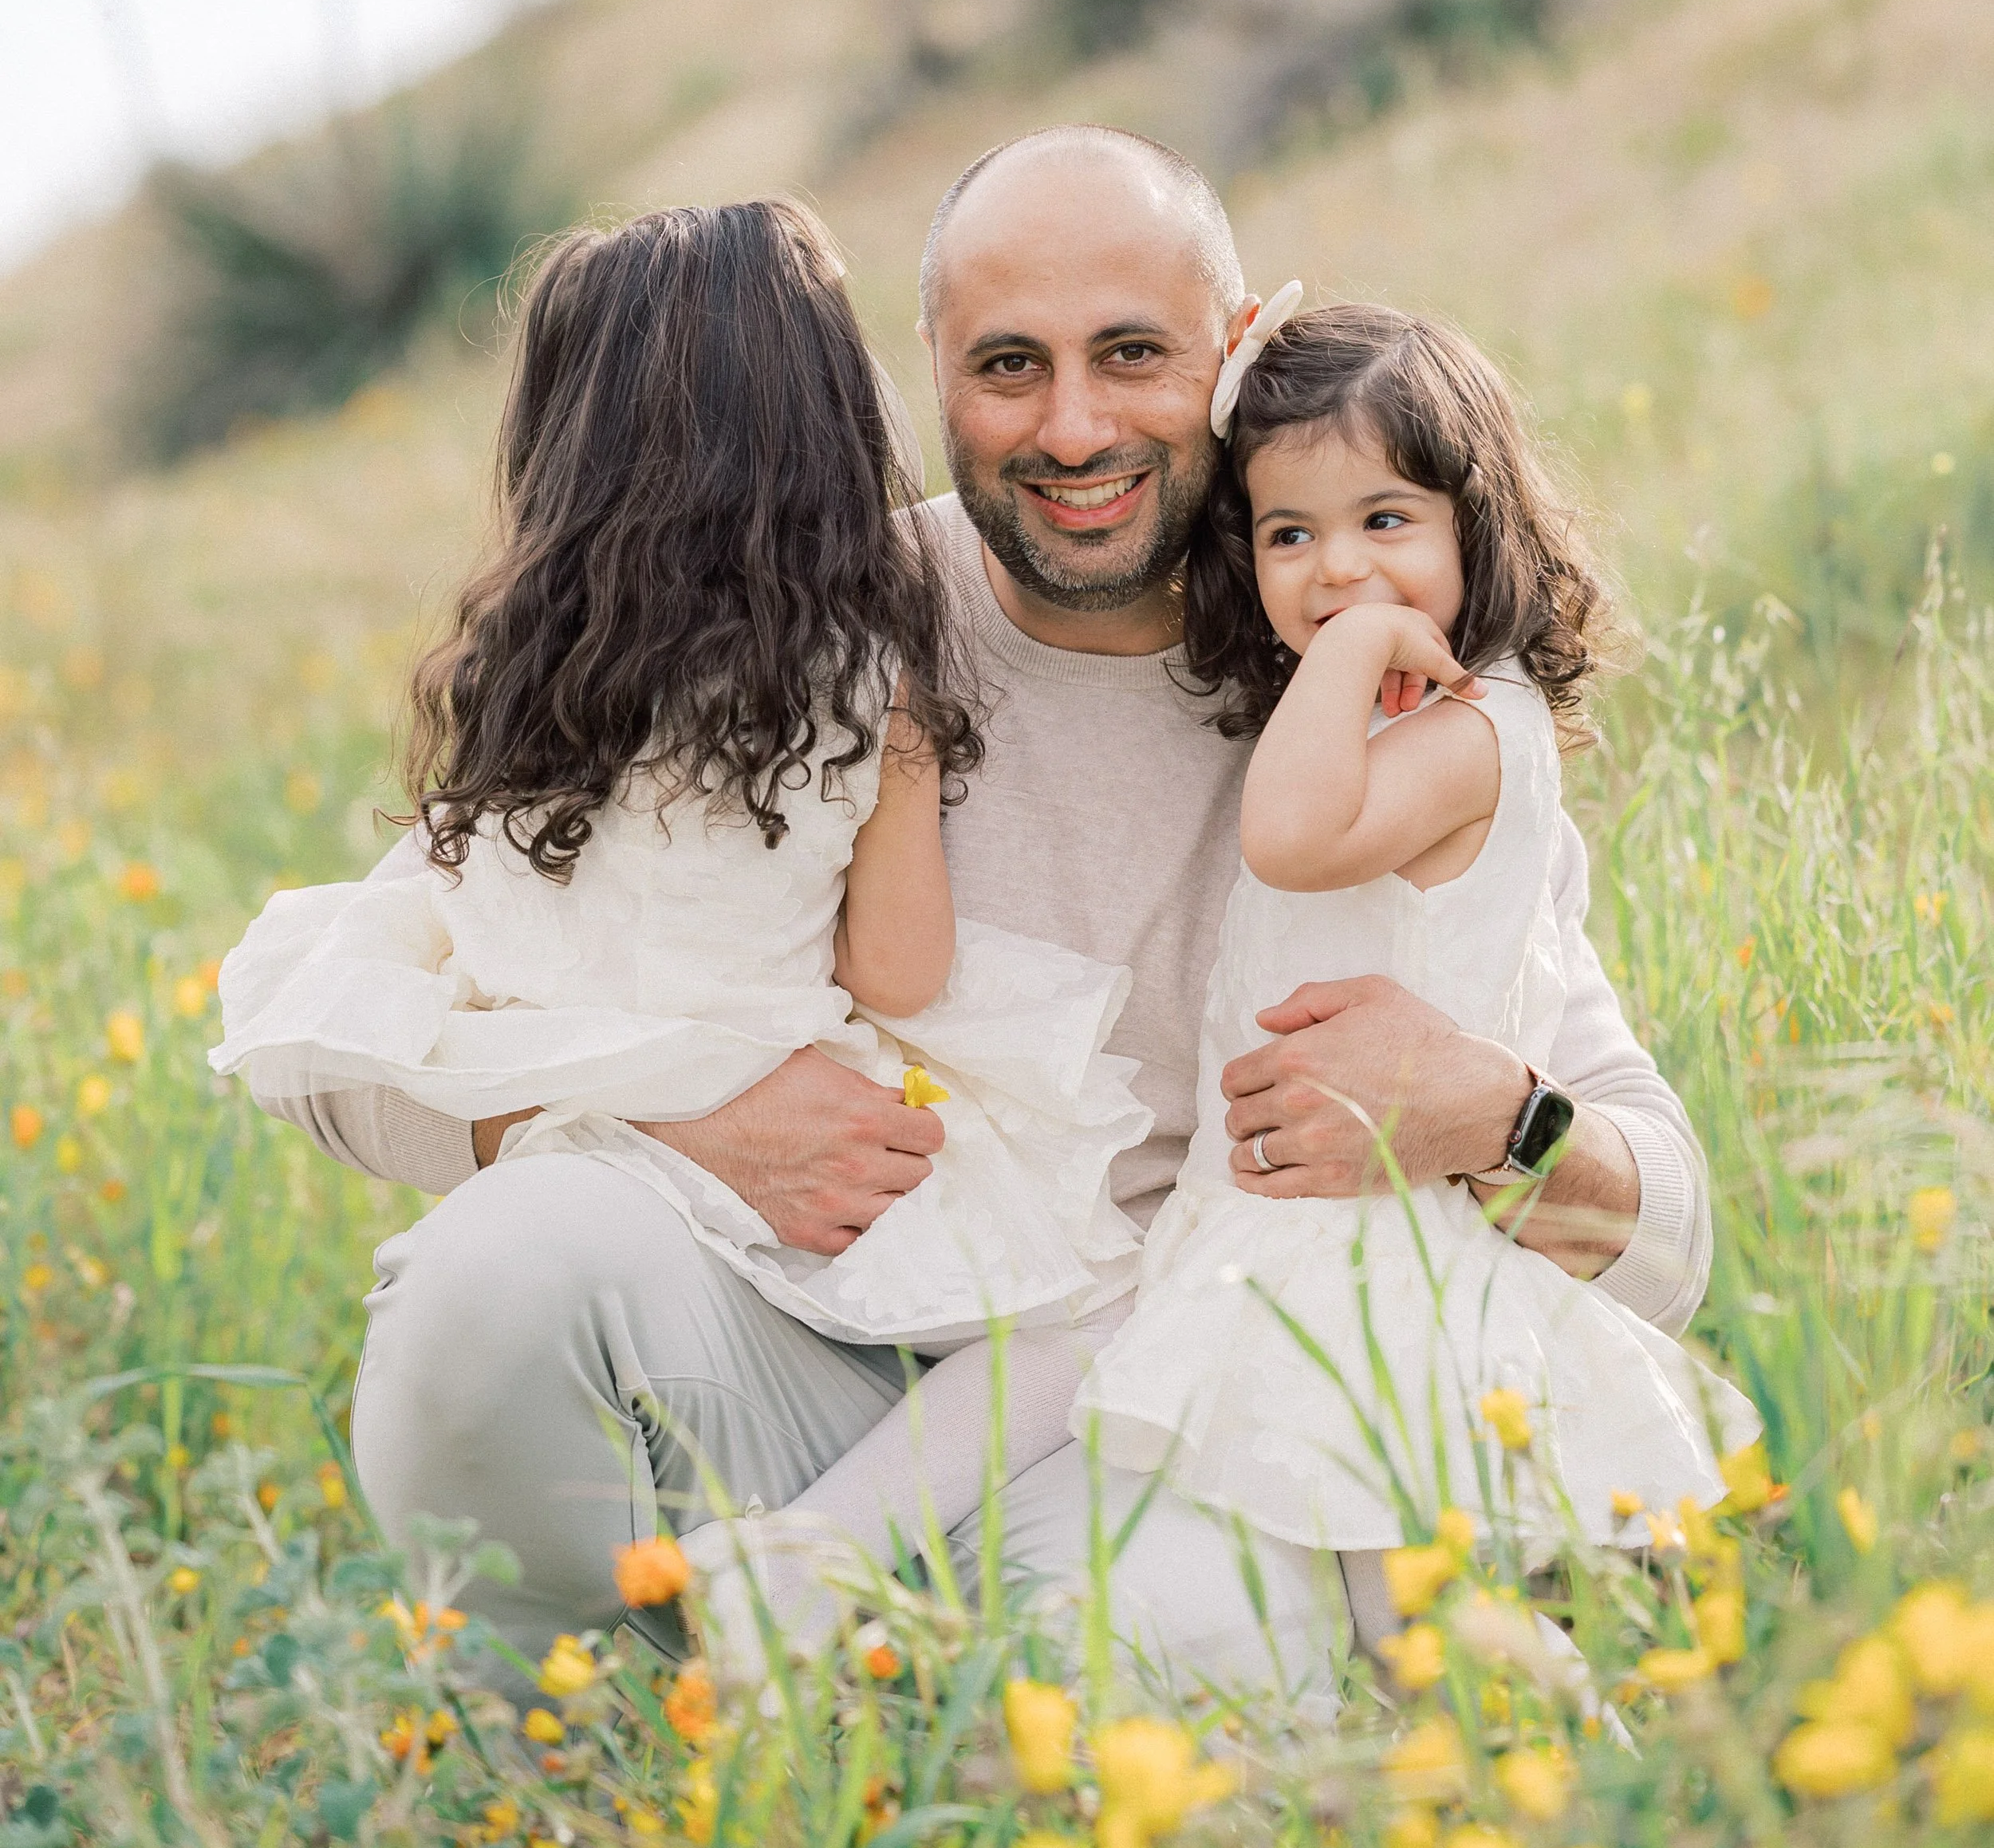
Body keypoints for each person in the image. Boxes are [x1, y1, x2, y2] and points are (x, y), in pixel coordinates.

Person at [235, 127, 1715, 1690]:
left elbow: (1659, 1235)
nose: (1072, 427)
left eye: (1130, 356)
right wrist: (680, 1123)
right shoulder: (791, 627)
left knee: (1188, 1657)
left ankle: (880, 1715)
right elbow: (329, 1050)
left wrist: (1496, 1118)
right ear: (927, 377)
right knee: (500, 1274)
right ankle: (548, 1754)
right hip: (796, 1357)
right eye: (1009, 366)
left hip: (1141, 1422)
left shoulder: (1394, 698)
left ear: (1233, 357)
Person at [212, 199, 1149, 1642]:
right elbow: (900, 967)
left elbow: (423, 975)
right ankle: (815, 1560)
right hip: (771, 1160)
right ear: (831, 418)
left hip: (565, 1133)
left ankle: (626, 1667)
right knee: (1084, 1310)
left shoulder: (514, 684)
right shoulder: (858, 681)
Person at [1075, 296, 1757, 1560]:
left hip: (1377, 1220)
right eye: (1291, 533)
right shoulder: (1396, 721)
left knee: (1403, 1554)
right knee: (1363, 1545)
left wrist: (1348, 652)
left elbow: (1292, 837)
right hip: (1297, 1208)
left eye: (1385, 522)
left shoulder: (1468, 727)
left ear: (1477, 526)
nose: (1338, 570)